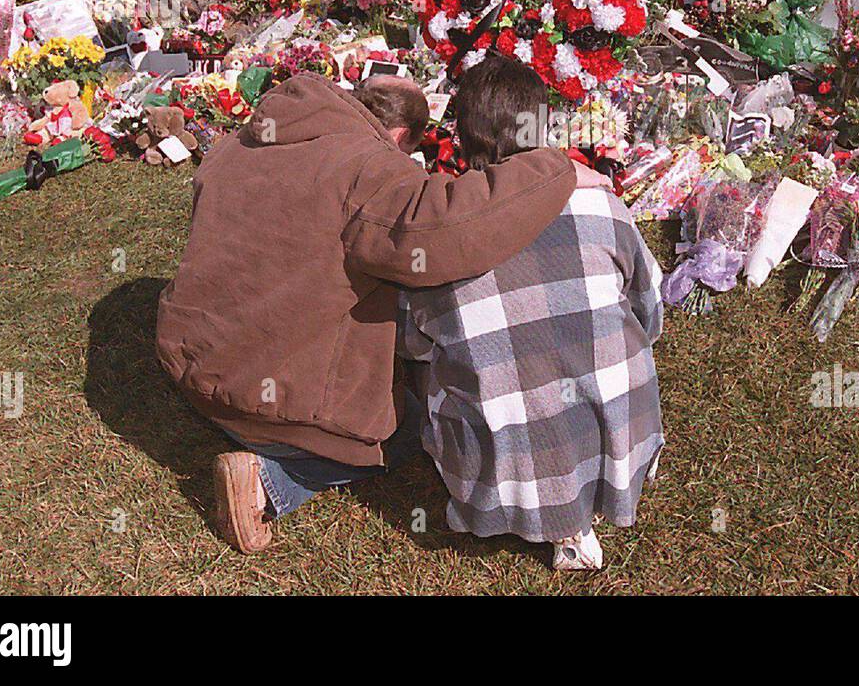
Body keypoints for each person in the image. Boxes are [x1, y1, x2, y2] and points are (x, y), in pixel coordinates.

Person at [156, 72, 608, 553]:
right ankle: (270, 484)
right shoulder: (367, 172)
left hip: (190, 365)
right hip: (261, 405)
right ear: (400, 137)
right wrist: (553, 170)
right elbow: (451, 229)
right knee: (409, 428)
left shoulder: (240, 143)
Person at [398, 56, 665, 571]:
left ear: (462, 137)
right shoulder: (601, 204)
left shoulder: (437, 229)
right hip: (622, 438)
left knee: (423, 361)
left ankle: (521, 492)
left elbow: (411, 343)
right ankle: (589, 491)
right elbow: (649, 310)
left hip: (502, 478)